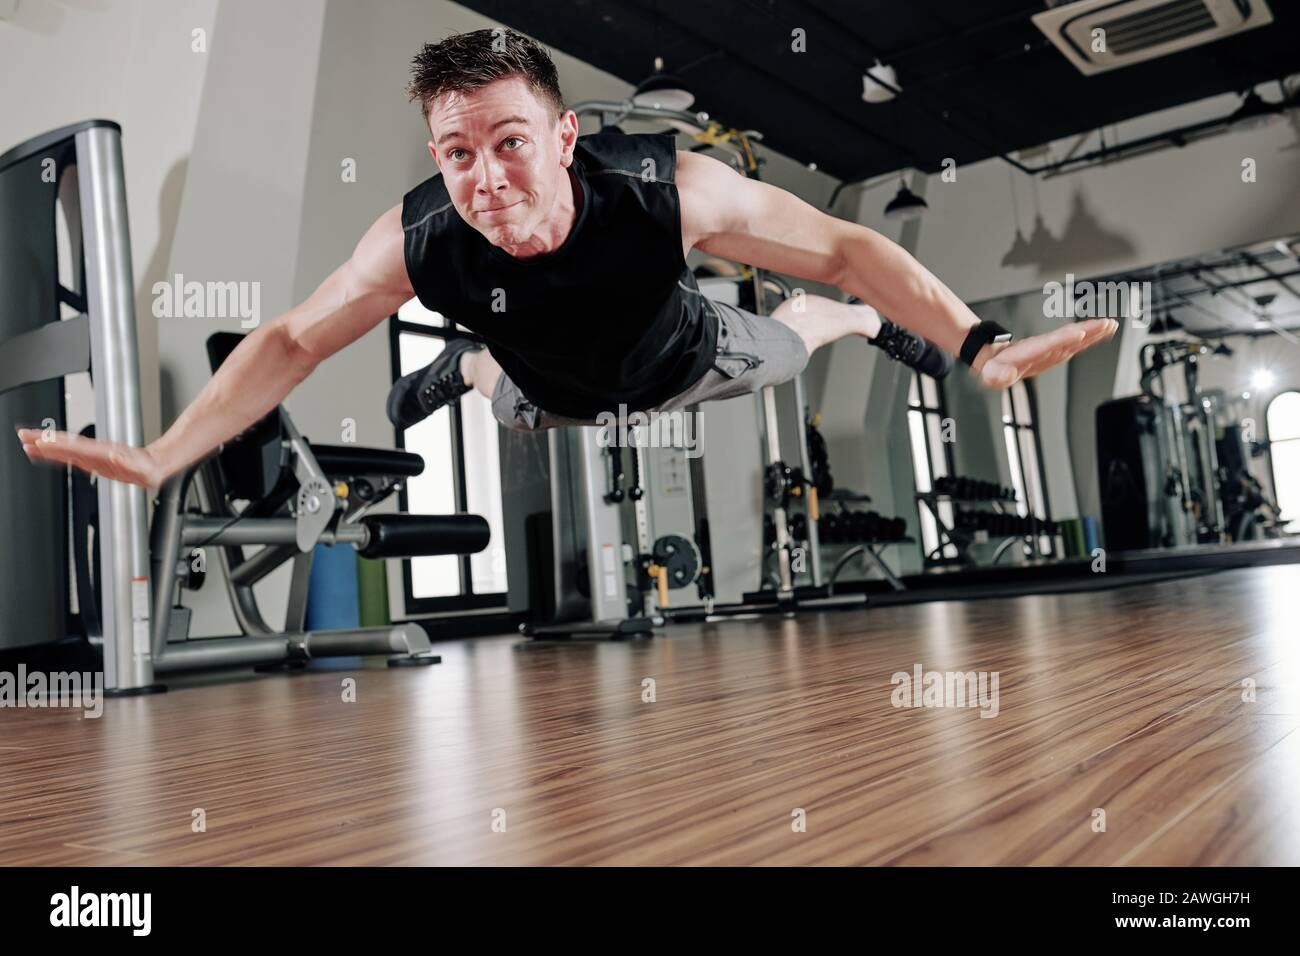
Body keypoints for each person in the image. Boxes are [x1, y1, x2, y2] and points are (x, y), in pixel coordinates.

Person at [15, 28, 1116, 488]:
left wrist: (975, 339)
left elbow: (845, 244)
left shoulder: (664, 193)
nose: (485, 177)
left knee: (806, 326)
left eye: (507, 144)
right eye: (457, 152)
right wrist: (164, 456)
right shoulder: (419, 240)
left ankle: (862, 335)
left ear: (562, 138)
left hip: (691, 358)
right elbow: (295, 338)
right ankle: (473, 363)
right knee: (503, 377)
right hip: (548, 386)